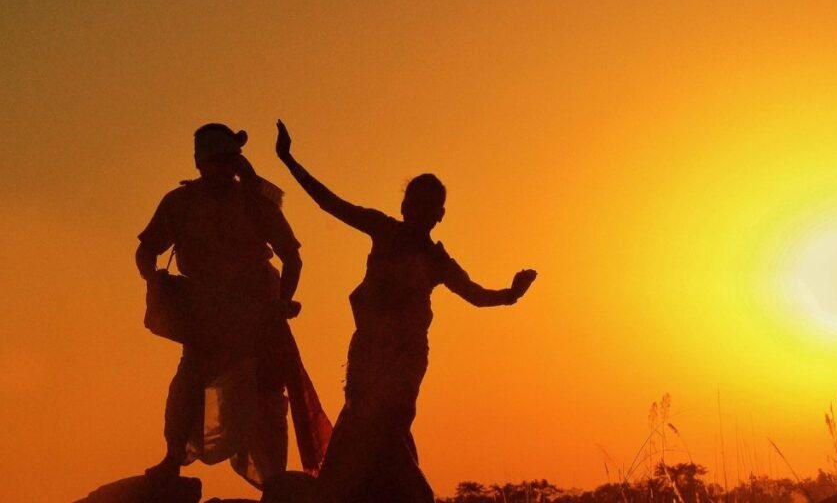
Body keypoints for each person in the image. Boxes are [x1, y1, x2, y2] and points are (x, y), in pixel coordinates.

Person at [274, 120, 538, 502]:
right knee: (361, 428)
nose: (420, 211)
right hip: (367, 354)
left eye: (429, 207)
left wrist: (512, 294)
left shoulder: (437, 260)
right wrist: (288, 159)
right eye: (415, 203)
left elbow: (475, 295)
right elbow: (329, 202)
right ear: (404, 207)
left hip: (405, 359)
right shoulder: (383, 230)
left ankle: (409, 495)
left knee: (387, 428)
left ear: (440, 214)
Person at [136, 123, 332, 489]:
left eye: (232, 159)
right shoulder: (179, 203)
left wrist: (281, 302)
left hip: (258, 314)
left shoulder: (255, 201)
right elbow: (147, 250)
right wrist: (155, 280)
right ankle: (172, 458)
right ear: (200, 162)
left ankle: (275, 479)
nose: (227, 167)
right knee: (188, 385)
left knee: (267, 397)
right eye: (219, 160)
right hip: (205, 315)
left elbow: (292, 257)